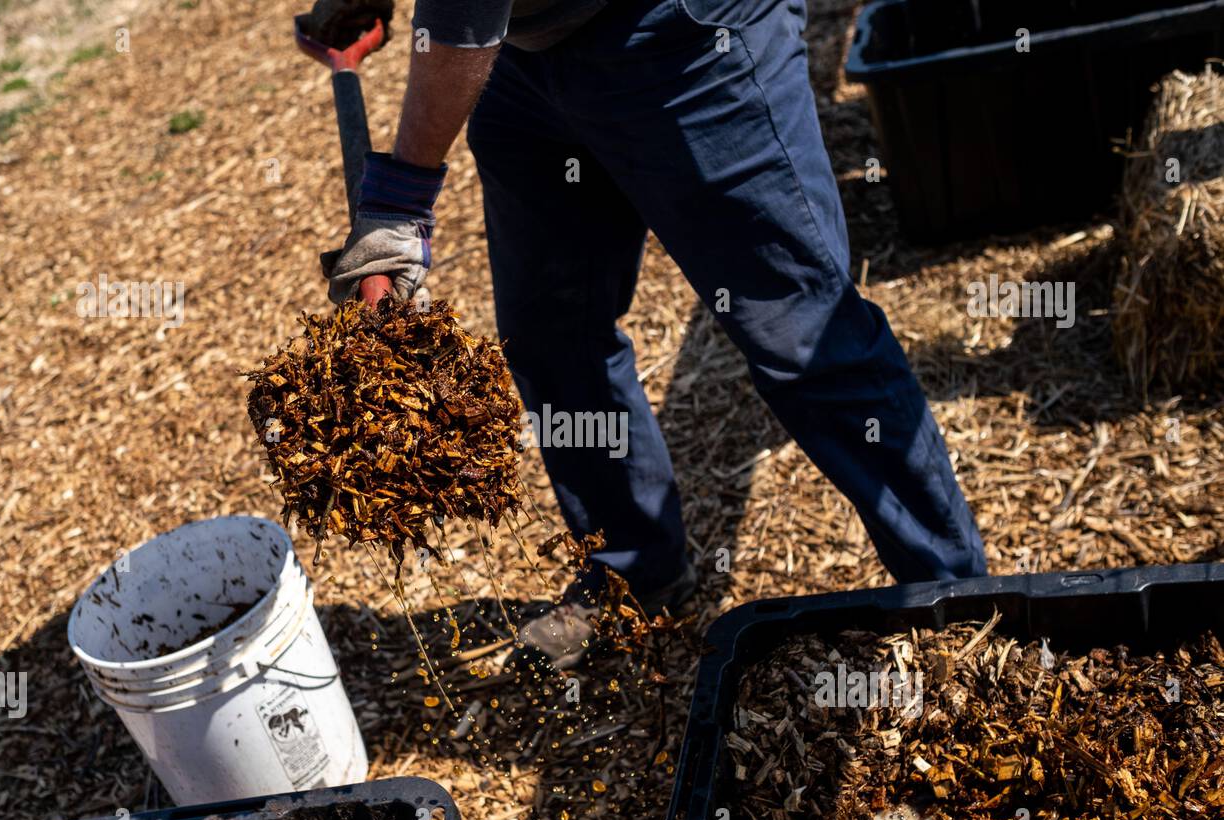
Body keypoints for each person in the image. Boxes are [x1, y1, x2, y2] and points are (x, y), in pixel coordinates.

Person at [324, 0, 987, 669]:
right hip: (522, 57)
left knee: (805, 335)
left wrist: (400, 203)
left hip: (683, 38)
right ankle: (634, 572)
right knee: (551, 333)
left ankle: (955, 606)